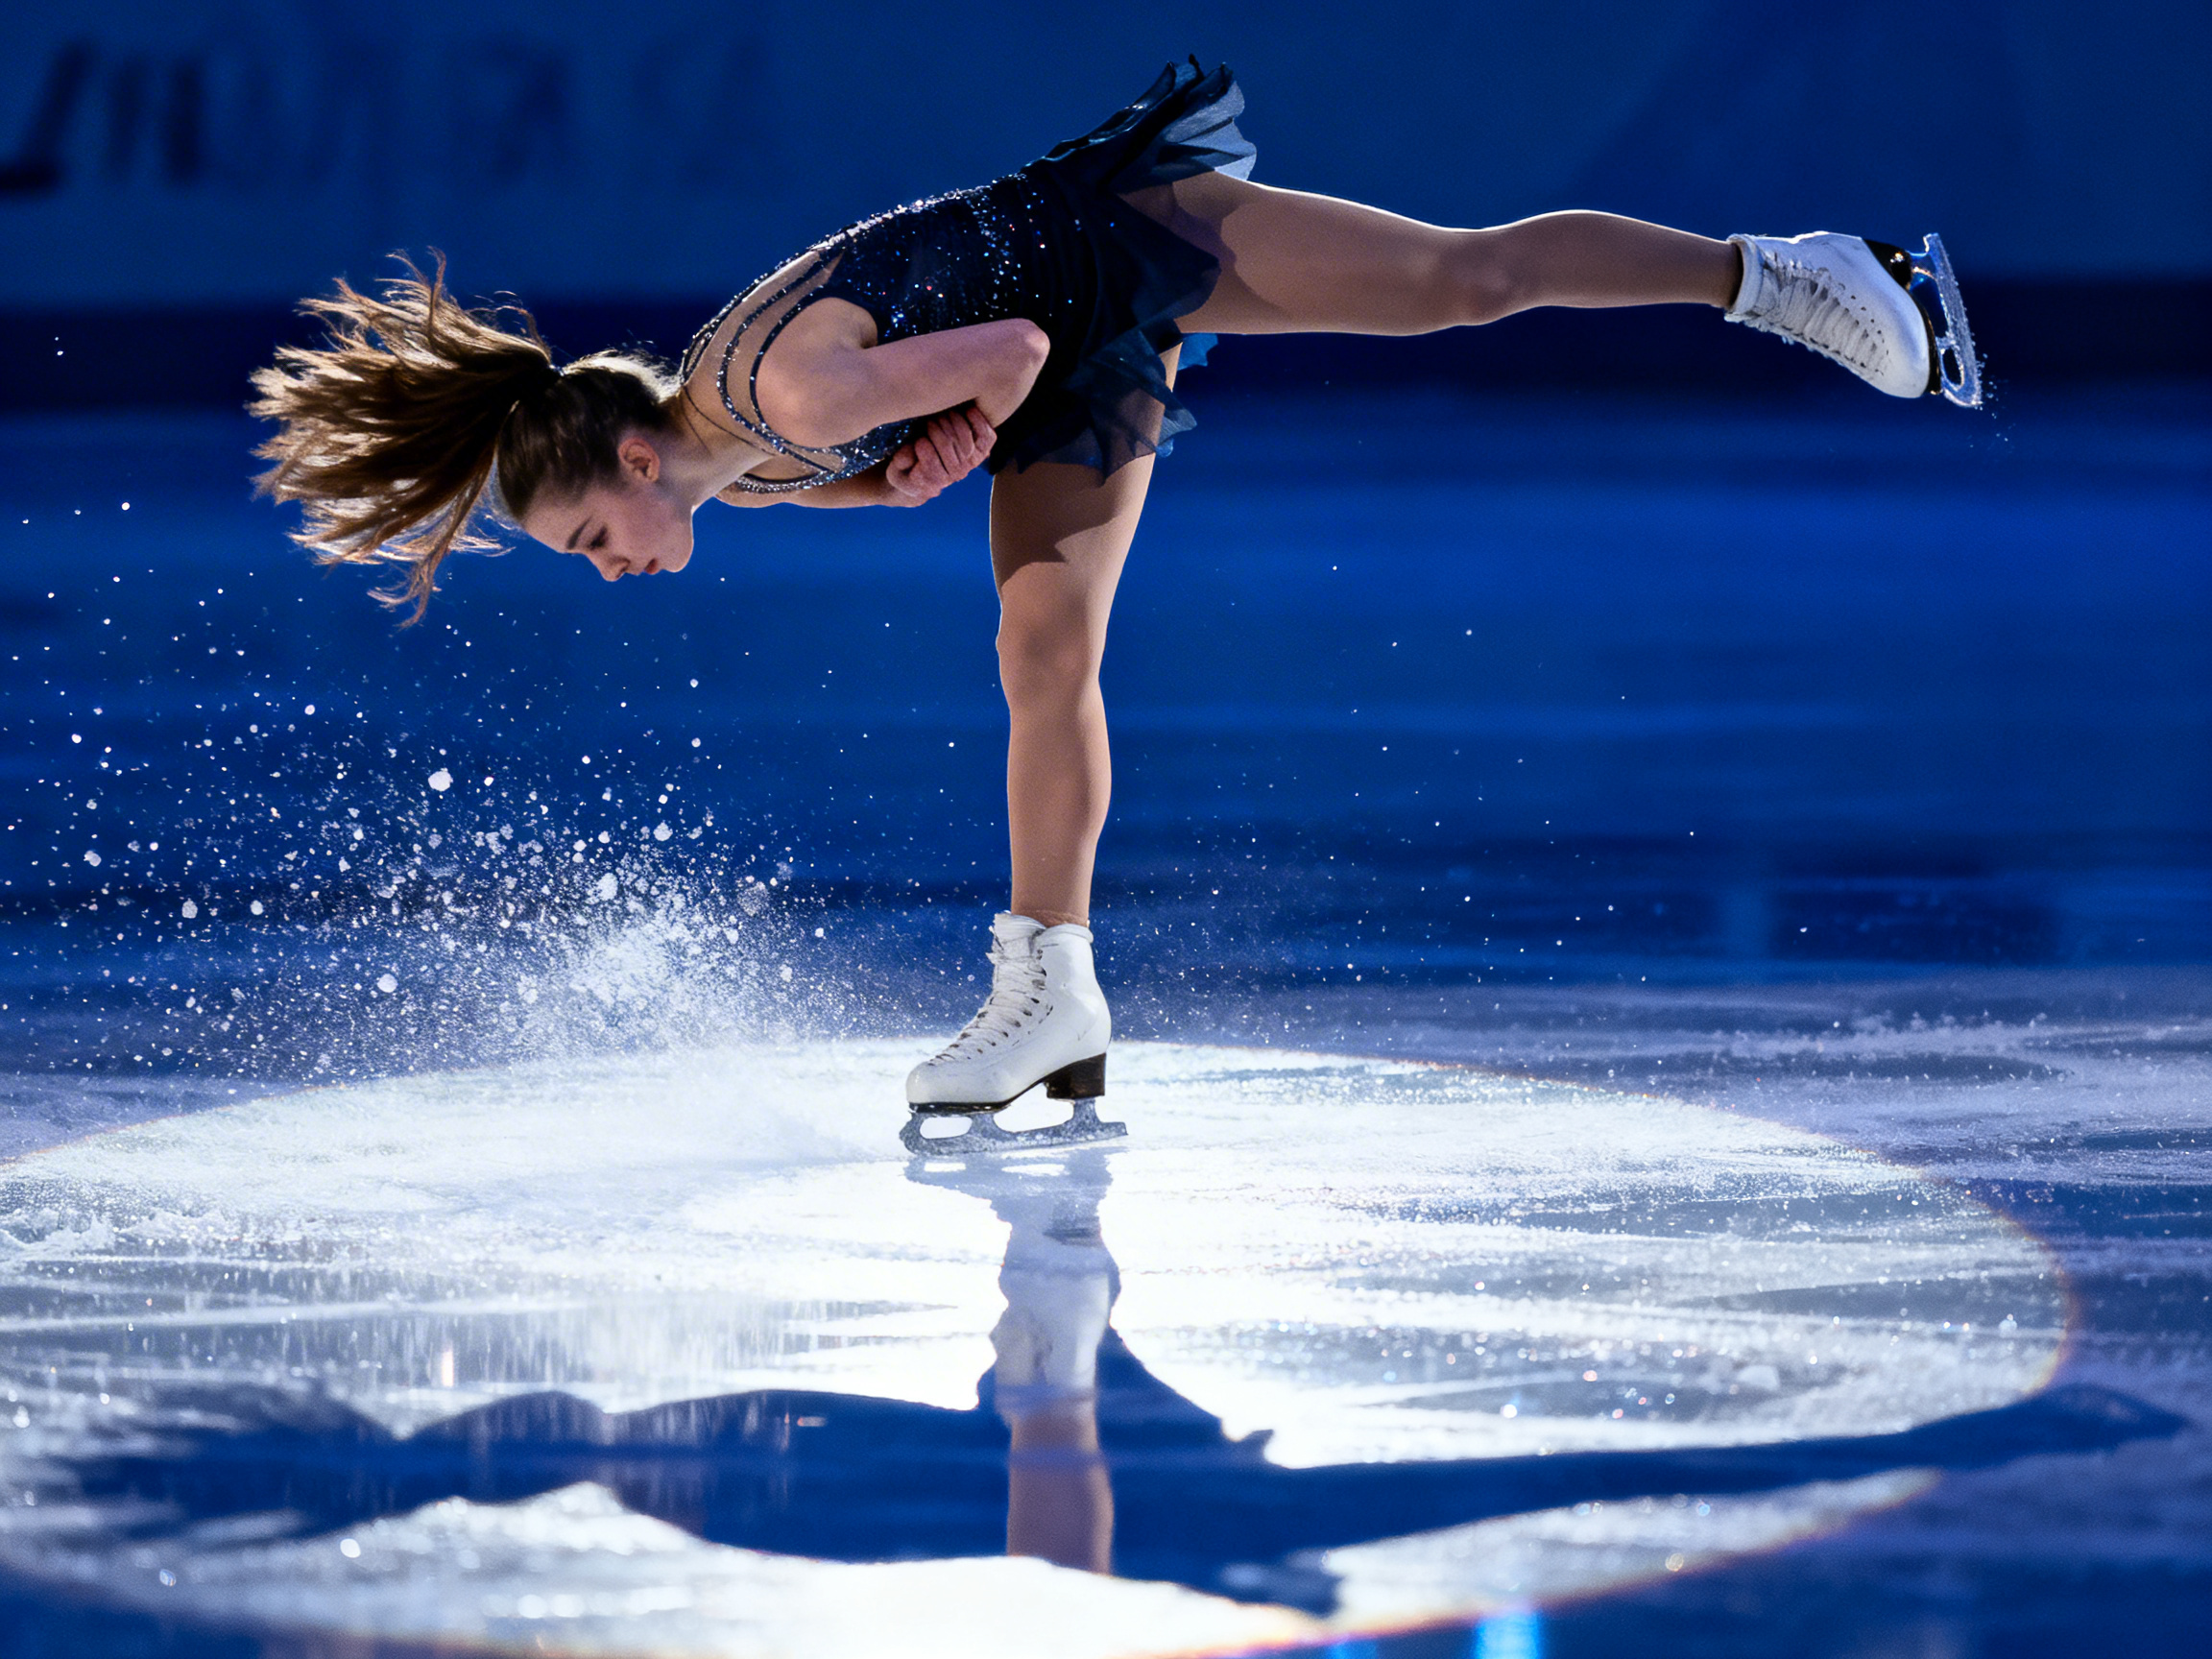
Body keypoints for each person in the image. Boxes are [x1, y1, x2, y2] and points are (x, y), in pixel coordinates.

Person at [252, 60, 1975, 1127]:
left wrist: (957, 425)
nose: (609, 581)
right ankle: (1049, 985)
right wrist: (928, 460)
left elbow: (999, 350)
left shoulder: (763, 405)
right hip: (1069, 347)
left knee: (1464, 280)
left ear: (626, 468)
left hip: (1112, 246)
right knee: (1040, 643)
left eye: (583, 549)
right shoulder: (737, 449)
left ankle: (1801, 274)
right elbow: (914, 431)